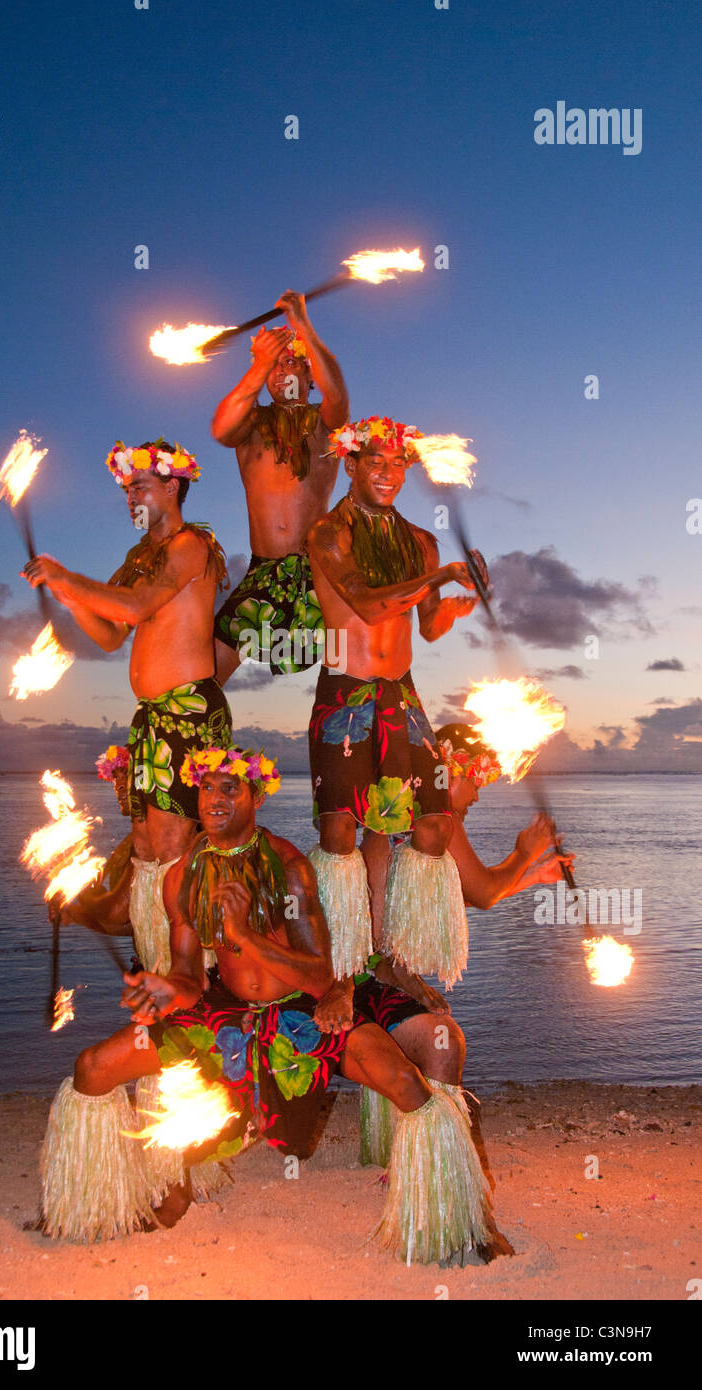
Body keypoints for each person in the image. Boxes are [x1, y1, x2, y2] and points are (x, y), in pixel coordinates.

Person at [37, 748, 501, 1266]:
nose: (215, 799)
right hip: (221, 1012)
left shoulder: (288, 867)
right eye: (207, 788)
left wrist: (243, 937)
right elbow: (191, 973)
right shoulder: (182, 876)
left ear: (256, 796)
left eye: (229, 789)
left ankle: (456, 1221)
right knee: (93, 1068)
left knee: (408, 1085)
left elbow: (318, 975)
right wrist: (169, 988)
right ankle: (92, 1209)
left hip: (303, 1011)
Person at [22, 438, 230, 974]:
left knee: (172, 846)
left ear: (172, 486)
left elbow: (138, 607)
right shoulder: (138, 558)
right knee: (145, 846)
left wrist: (71, 579)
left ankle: (191, 973)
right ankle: (156, 962)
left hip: (187, 714)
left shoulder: (190, 546)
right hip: (152, 720)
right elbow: (112, 633)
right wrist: (68, 595)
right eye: (126, 488)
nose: (130, 494)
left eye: (140, 485)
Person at [304, 417, 479, 1031]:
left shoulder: (420, 542)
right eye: (374, 459)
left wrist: (457, 604)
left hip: (401, 697)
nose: (387, 470)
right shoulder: (328, 532)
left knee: (426, 826)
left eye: (398, 462)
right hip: (345, 693)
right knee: (341, 838)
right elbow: (369, 602)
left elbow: (426, 625)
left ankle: (391, 956)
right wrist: (437, 579)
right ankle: (339, 973)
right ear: (350, 465)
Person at [350, 723, 573, 1182]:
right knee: (444, 1039)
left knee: (436, 1020)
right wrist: (524, 850)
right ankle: (432, 1172)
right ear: (450, 772)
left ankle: (410, 1153)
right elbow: (485, 892)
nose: (476, 797)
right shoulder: (438, 818)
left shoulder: (400, 814)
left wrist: (533, 876)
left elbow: (456, 897)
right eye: (477, 782)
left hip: (365, 973)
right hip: (363, 983)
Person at [211, 290, 349, 679]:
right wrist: (261, 363)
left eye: (294, 363)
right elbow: (221, 430)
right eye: (277, 366)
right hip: (262, 572)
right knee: (208, 671)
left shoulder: (325, 426)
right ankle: (206, 741)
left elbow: (338, 397)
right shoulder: (251, 425)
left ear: (309, 377)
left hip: (319, 572)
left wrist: (302, 324)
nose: (283, 370)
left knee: (349, 667)